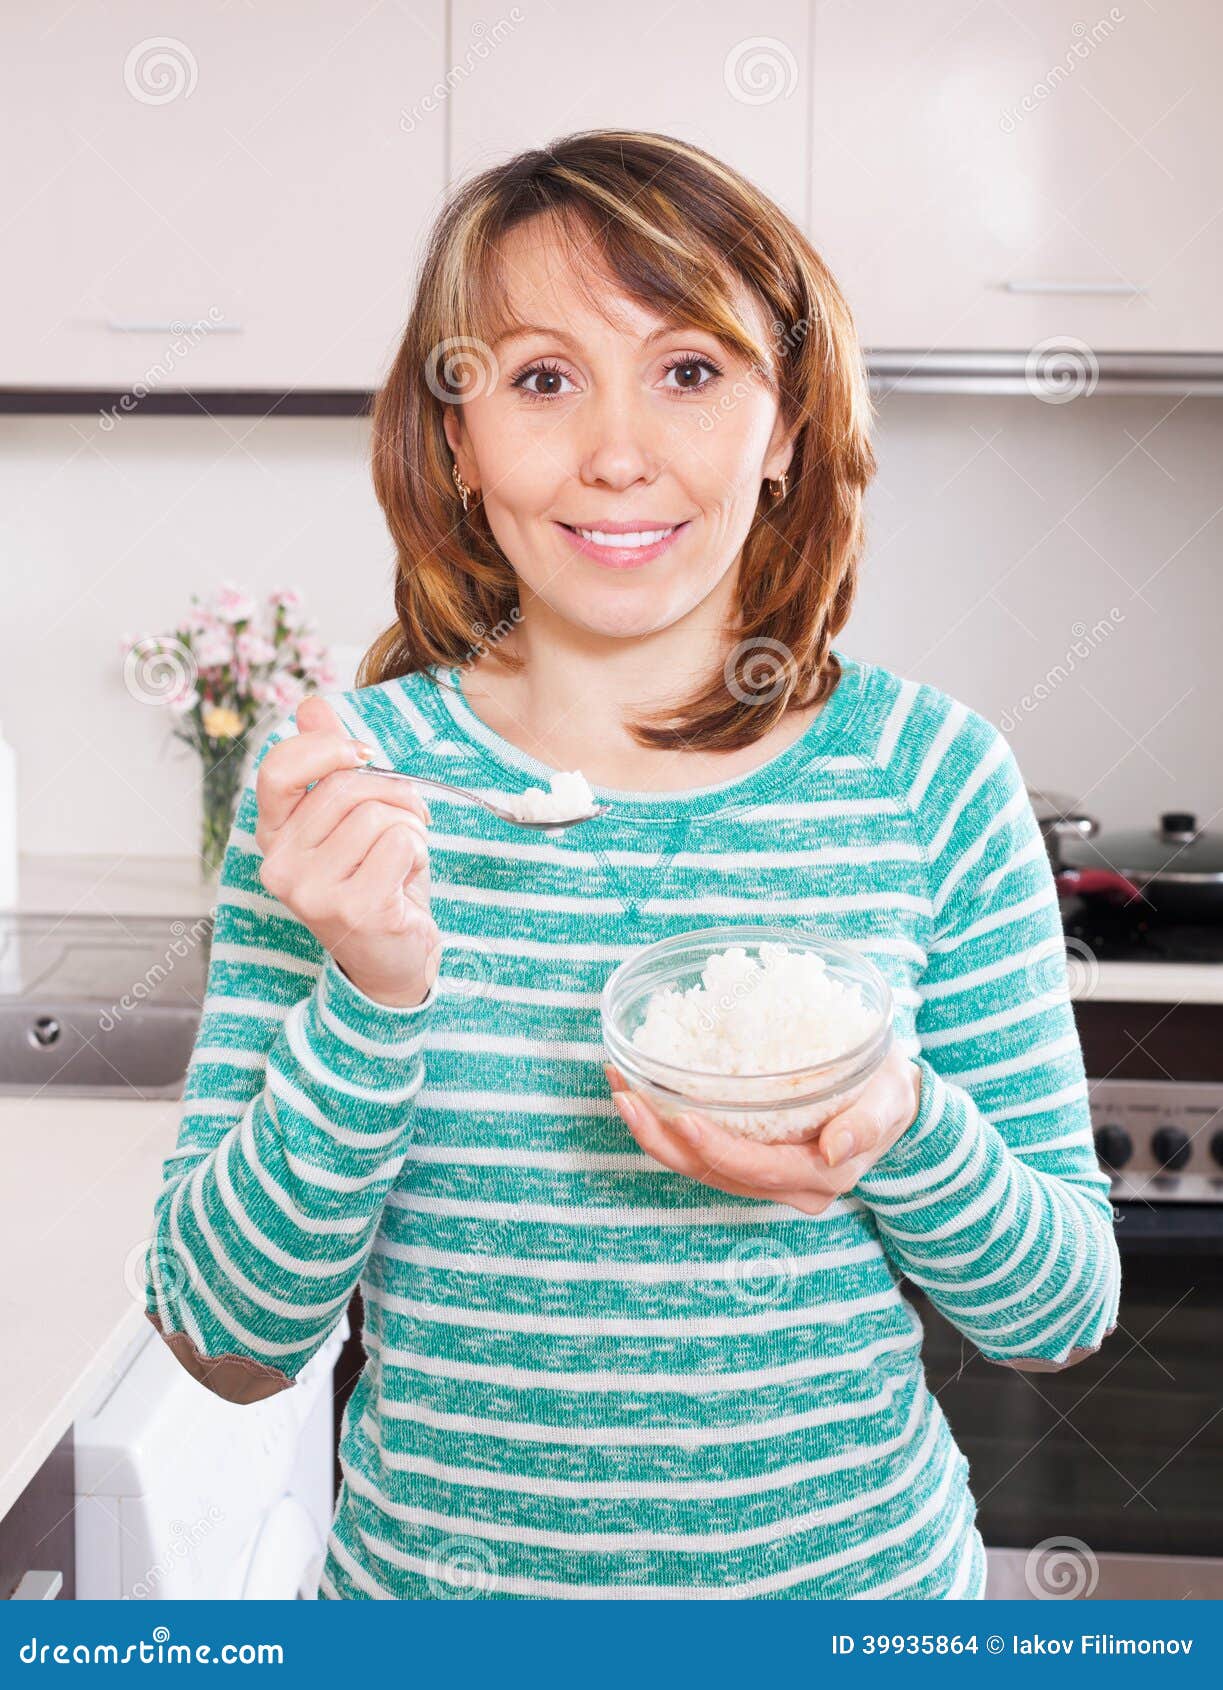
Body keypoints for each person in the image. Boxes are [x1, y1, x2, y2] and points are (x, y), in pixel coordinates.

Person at [143, 130, 1121, 1600]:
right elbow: (226, 1345)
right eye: (541, 379)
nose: (616, 452)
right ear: (458, 440)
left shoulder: (929, 779)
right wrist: (372, 997)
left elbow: (1057, 1310)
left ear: (786, 423)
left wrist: (896, 1122)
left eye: (690, 370)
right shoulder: (349, 793)